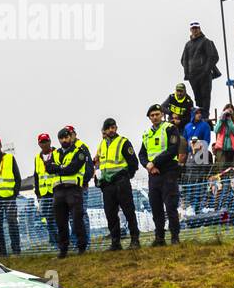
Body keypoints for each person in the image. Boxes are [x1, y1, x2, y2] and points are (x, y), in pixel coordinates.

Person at [138, 103, 187, 246]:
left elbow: (172, 150)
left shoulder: (170, 129)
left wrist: (154, 163)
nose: (154, 117)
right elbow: (142, 154)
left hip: (168, 172)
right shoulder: (147, 134)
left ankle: (175, 237)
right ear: (149, 117)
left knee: (171, 206)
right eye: (152, 115)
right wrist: (148, 165)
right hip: (153, 174)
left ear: (162, 115)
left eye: (157, 114)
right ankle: (159, 238)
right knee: (156, 207)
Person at [42, 127, 91, 257]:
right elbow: (48, 168)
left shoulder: (79, 152)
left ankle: (81, 247)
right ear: (58, 140)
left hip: (73, 189)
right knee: (61, 222)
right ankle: (63, 250)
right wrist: (62, 168)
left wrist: (58, 168)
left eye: (66, 137)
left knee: (77, 220)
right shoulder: (55, 153)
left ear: (71, 137)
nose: (64, 140)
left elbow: (73, 168)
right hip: (58, 191)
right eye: (61, 138)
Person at [94, 118, 140, 250]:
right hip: (107, 185)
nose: (111, 130)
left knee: (128, 211)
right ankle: (115, 242)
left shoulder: (123, 142)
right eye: (108, 128)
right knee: (110, 214)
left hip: (121, 182)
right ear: (104, 130)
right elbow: (99, 164)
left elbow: (133, 163)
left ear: (116, 128)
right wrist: (99, 181)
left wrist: (125, 177)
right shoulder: (102, 144)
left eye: (113, 127)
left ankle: (135, 240)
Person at [181, 21, 221, 116]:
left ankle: (205, 115)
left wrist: (205, 70)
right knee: (197, 97)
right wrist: (188, 72)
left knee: (205, 96)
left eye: (196, 28)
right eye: (193, 28)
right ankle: (199, 115)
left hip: (204, 75)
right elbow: (183, 60)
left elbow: (213, 57)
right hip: (192, 76)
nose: (195, 30)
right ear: (190, 30)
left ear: (199, 29)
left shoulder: (206, 41)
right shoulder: (188, 44)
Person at [32, 132, 59, 248]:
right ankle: (53, 240)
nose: (44, 144)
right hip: (44, 194)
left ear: (50, 142)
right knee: (48, 218)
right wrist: (37, 193)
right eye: (42, 142)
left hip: (56, 191)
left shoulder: (57, 153)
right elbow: (37, 176)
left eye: (46, 141)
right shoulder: (37, 158)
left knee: (59, 217)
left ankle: (61, 240)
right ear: (39, 144)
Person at [213, 103, 234, 169]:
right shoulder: (221, 119)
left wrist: (230, 121)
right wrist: (221, 120)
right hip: (221, 148)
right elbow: (216, 130)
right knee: (221, 168)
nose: (228, 114)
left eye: (230, 112)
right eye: (227, 112)